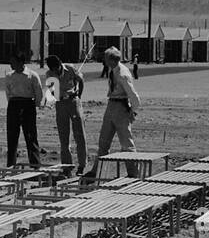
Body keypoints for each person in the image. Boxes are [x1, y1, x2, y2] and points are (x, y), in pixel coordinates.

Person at [84, 47, 141, 179]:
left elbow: (133, 95)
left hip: (121, 107)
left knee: (126, 142)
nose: (104, 61)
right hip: (111, 104)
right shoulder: (113, 69)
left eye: (105, 58)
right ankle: (97, 170)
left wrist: (133, 111)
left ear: (111, 60)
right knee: (103, 140)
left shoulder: (122, 74)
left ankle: (133, 173)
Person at [45, 53, 87, 176]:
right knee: (64, 136)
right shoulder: (49, 74)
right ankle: (67, 167)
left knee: (79, 135)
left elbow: (81, 81)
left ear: (60, 64)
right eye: (53, 70)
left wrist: (79, 96)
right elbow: (51, 90)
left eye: (57, 68)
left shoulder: (70, 68)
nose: (56, 71)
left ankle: (82, 166)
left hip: (74, 102)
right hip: (61, 104)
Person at [3, 51, 44, 169]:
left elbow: (38, 92)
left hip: (28, 105)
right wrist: (12, 104)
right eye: (11, 63)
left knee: (30, 136)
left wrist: (34, 105)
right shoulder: (9, 76)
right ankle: (11, 165)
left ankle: (35, 165)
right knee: (12, 136)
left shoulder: (32, 75)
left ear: (21, 62)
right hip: (14, 104)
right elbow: (8, 92)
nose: (11, 65)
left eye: (14, 62)